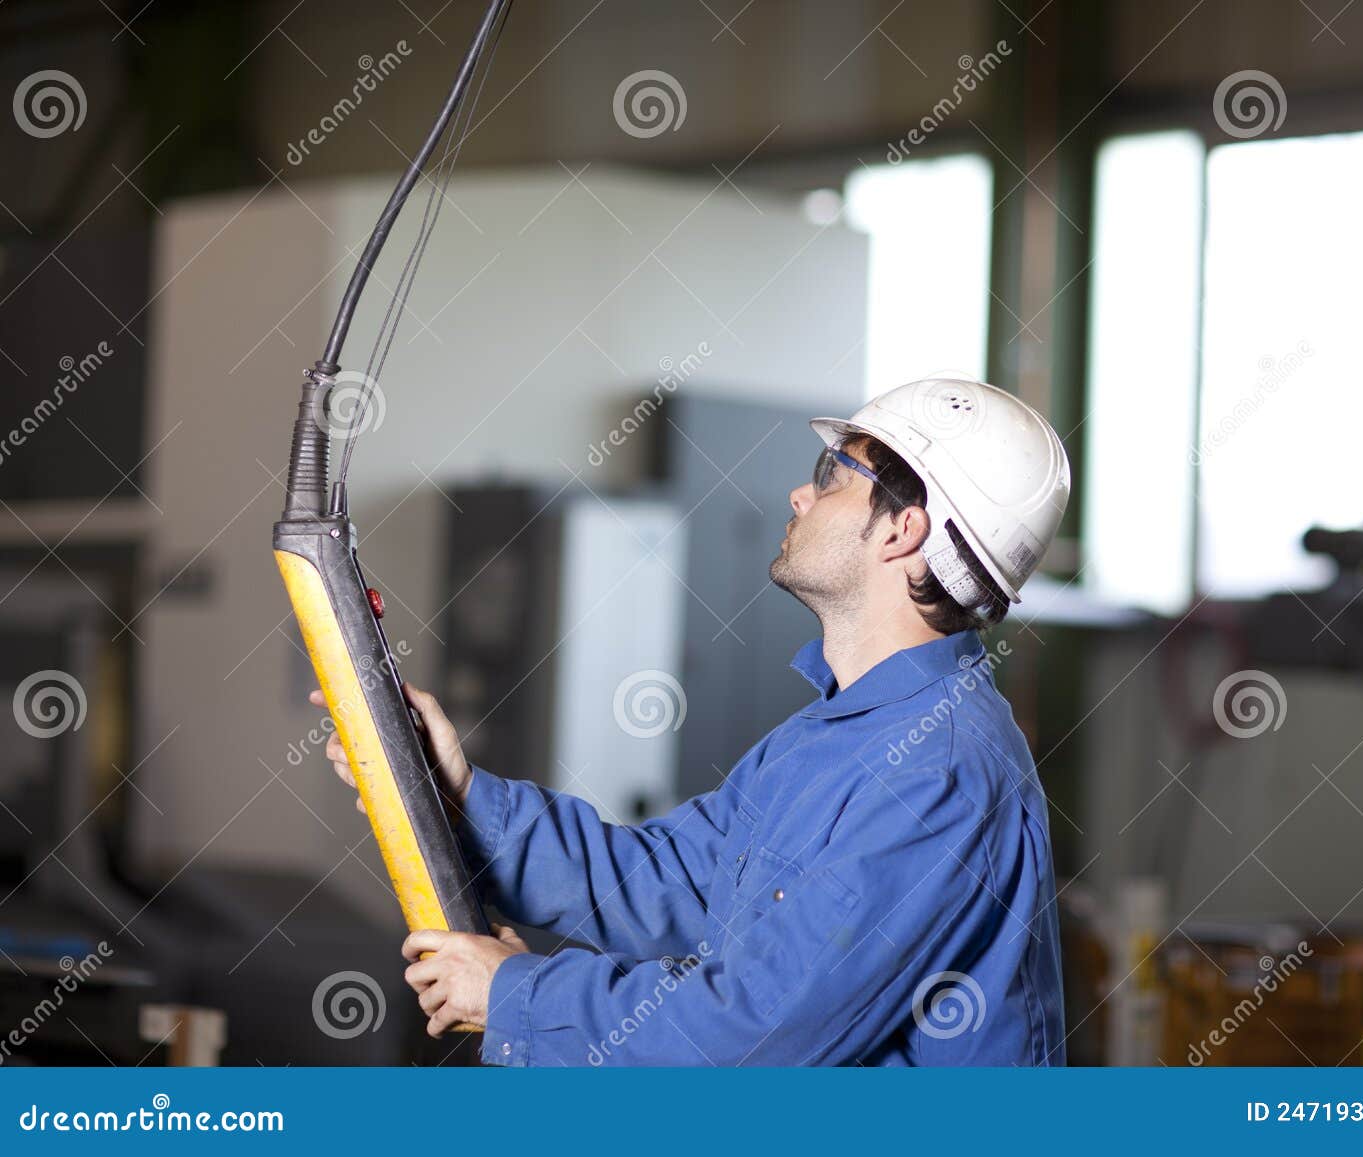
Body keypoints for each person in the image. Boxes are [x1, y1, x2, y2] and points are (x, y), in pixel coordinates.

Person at [314, 377, 1072, 1065]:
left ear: (902, 532)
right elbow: (663, 883)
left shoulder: (938, 772)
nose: (799, 497)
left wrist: (515, 993)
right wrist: (457, 793)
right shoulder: (829, 737)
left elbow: (756, 1035)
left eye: (831, 477)